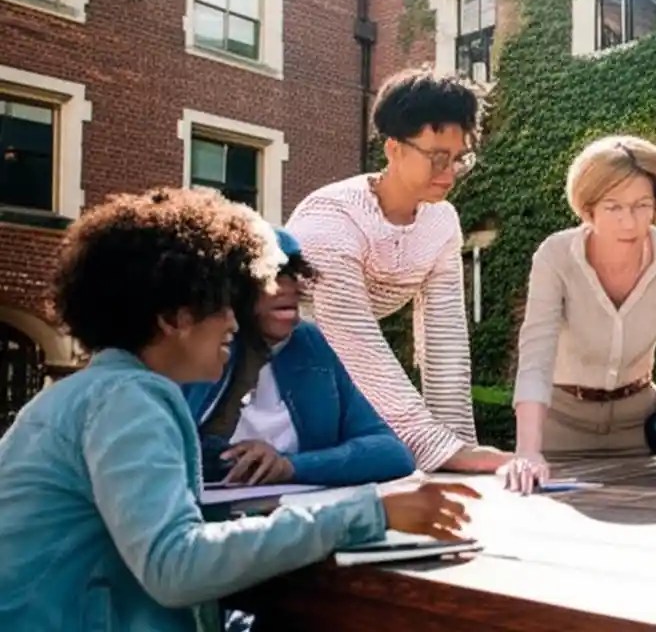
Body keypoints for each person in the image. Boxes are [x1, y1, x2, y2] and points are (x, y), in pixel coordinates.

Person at [0, 188, 479, 631]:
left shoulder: (94, 393)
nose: (233, 321)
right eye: (221, 304)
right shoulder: (129, 402)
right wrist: (368, 513)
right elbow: (175, 566)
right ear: (173, 318)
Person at [286, 68, 510, 474]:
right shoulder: (330, 216)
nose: (449, 173)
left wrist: (460, 447)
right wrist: (432, 444)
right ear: (393, 148)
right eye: (437, 157)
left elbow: (445, 338)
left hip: (337, 367)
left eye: (459, 159)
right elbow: (353, 336)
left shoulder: (441, 222)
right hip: (275, 367)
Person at [503, 135, 656, 493]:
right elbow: (536, 354)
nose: (629, 222)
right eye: (613, 207)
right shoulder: (555, 255)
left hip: (638, 427)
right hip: (561, 427)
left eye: (641, 205)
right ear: (588, 209)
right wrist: (528, 450)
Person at [184, 228, 415, 488]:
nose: (288, 287)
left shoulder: (311, 344)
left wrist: (290, 466)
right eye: (268, 276)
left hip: (308, 514)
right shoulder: (197, 347)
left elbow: (392, 453)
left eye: (292, 274)